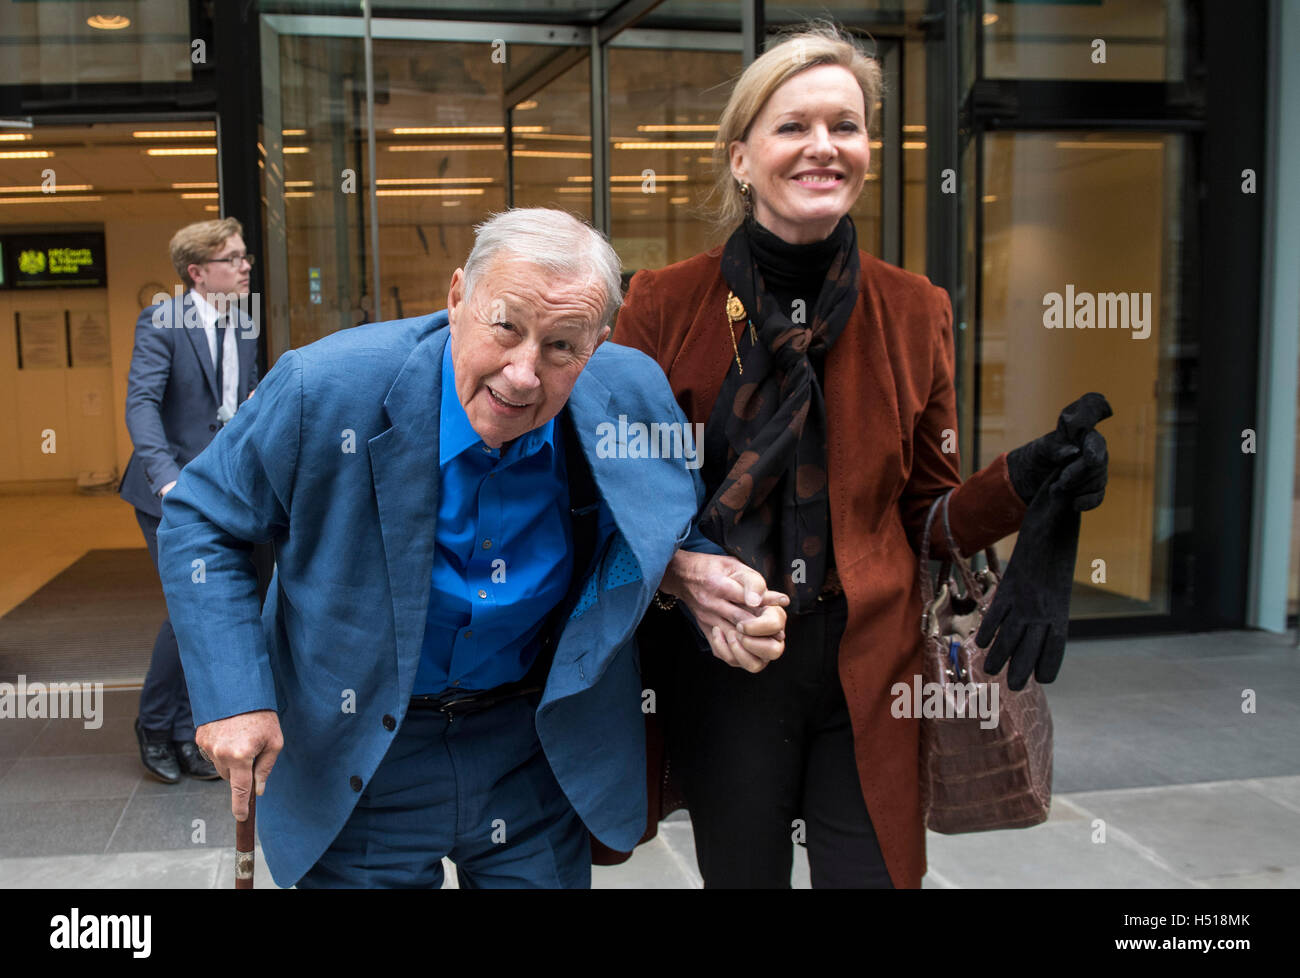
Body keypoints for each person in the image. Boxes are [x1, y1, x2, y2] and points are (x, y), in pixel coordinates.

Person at [154, 208, 787, 889]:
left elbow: (655, 518)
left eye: (562, 347)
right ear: (458, 298)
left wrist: (687, 569)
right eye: (506, 326)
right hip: (364, 752)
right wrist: (232, 696)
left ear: (596, 346)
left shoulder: (628, 392)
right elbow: (200, 519)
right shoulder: (326, 388)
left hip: (529, 750)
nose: (522, 375)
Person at [614, 24, 1109, 888]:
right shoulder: (665, 306)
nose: (823, 147)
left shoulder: (914, 309)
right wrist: (687, 579)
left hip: (871, 665)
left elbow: (930, 514)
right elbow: (624, 496)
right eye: (793, 126)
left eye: (845, 126)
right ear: (741, 157)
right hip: (725, 662)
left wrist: (1027, 481)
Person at [119, 217, 259, 784]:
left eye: (245, 255)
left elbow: (240, 400)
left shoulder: (244, 321)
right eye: (233, 258)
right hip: (169, 495)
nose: (246, 265)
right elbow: (142, 405)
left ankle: (182, 733)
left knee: (202, 608)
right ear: (199, 273)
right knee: (188, 611)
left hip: (222, 488)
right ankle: (157, 728)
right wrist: (167, 479)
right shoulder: (162, 320)